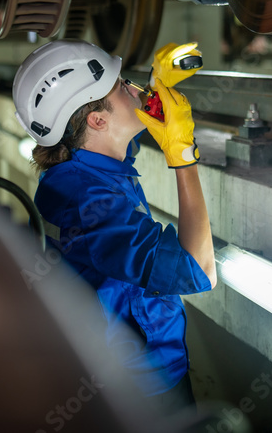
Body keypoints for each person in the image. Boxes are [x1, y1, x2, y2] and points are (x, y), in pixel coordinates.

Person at [12, 39, 217, 412]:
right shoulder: (89, 201)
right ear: (98, 120)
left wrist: (156, 91)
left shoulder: (81, 173)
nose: (135, 89)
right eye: (123, 85)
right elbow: (199, 270)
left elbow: (120, 143)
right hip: (139, 390)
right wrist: (183, 155)